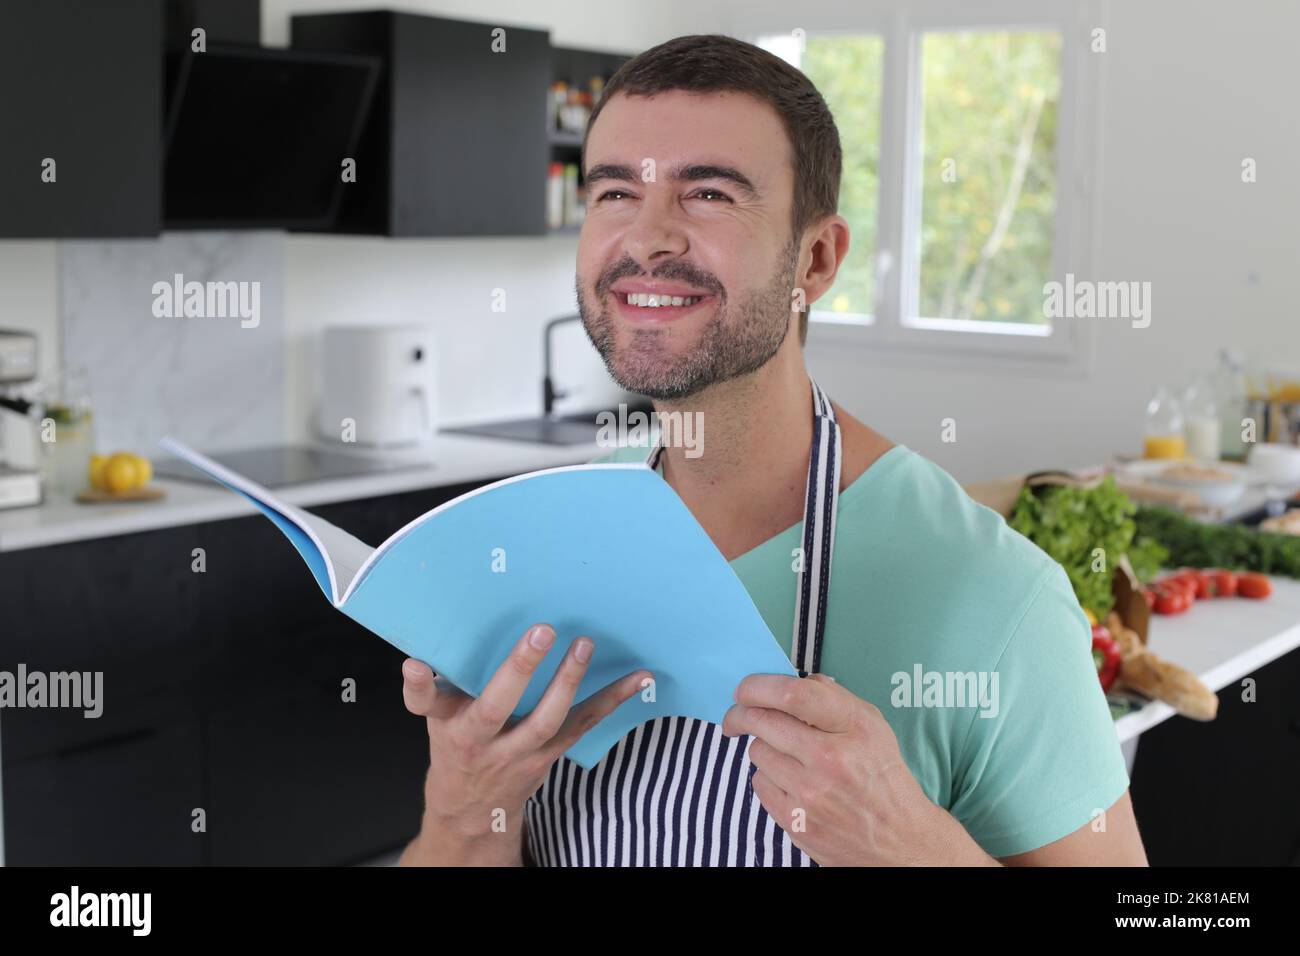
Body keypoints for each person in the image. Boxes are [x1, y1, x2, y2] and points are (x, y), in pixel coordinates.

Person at [398, 34, 1146, 867]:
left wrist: (914, 848)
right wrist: (461, 816)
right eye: (614, 192)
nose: (647, 238)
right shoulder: (543, 546)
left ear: (816, 259)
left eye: (708, 193)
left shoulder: (997, 598)